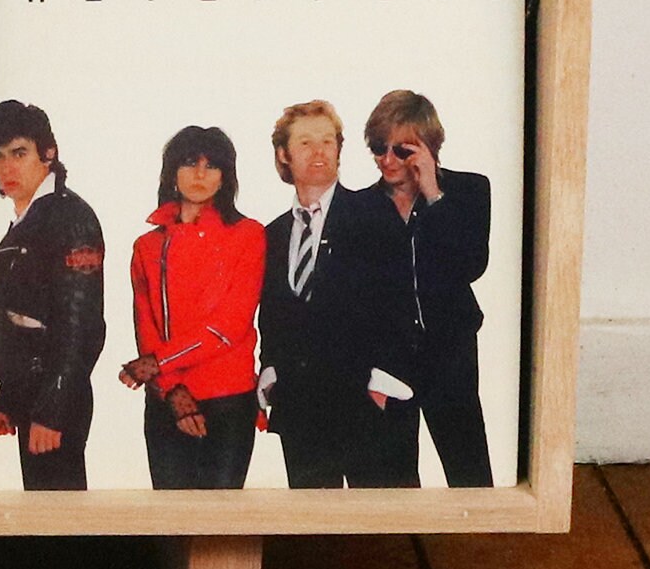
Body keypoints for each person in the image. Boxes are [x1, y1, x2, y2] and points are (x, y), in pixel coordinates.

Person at [257, 101, 421, 487]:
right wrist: (271, 372)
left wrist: (382, 385)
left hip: (368, 402)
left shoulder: (376, 212)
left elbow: (402, 301)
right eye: (306, 142)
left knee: (386, 529)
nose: (319, 152)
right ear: (284, 154)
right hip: (301, 407)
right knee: (315, 532)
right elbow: (274, 315)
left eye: (327, 141)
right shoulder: (273, 234)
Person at [120, 126, 267, 488]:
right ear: (172, 171)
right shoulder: (147, 246)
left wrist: (158, 364)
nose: (200, 174)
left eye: (212, 165)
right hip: (166, 399)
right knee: (171, 523)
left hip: (228, 401)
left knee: (220, 523)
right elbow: (146, 327)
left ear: (226, 177)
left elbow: (228, 326)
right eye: (190, 163)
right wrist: (172, 390)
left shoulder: (248, 235)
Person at [366, 89, 495, 487]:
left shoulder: (469, 191)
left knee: (469, 468)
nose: (387, 159)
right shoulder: (361, 207)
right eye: (377, 147)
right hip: (389, 361)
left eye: (401, 150)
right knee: (393, 480)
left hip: (449, 352)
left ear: (428, 148)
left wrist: (433, 195)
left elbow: (471, 264)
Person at [0, 100, 108, 490]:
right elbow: (19, 317)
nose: (6, 167)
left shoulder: (70, 219)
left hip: (56, 396)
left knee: (60, 522)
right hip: (30, 393)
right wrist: (7, 394)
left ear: (47, 154)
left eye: (19, 153)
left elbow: (80, 324)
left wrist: (53, 409)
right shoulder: (29, 219)